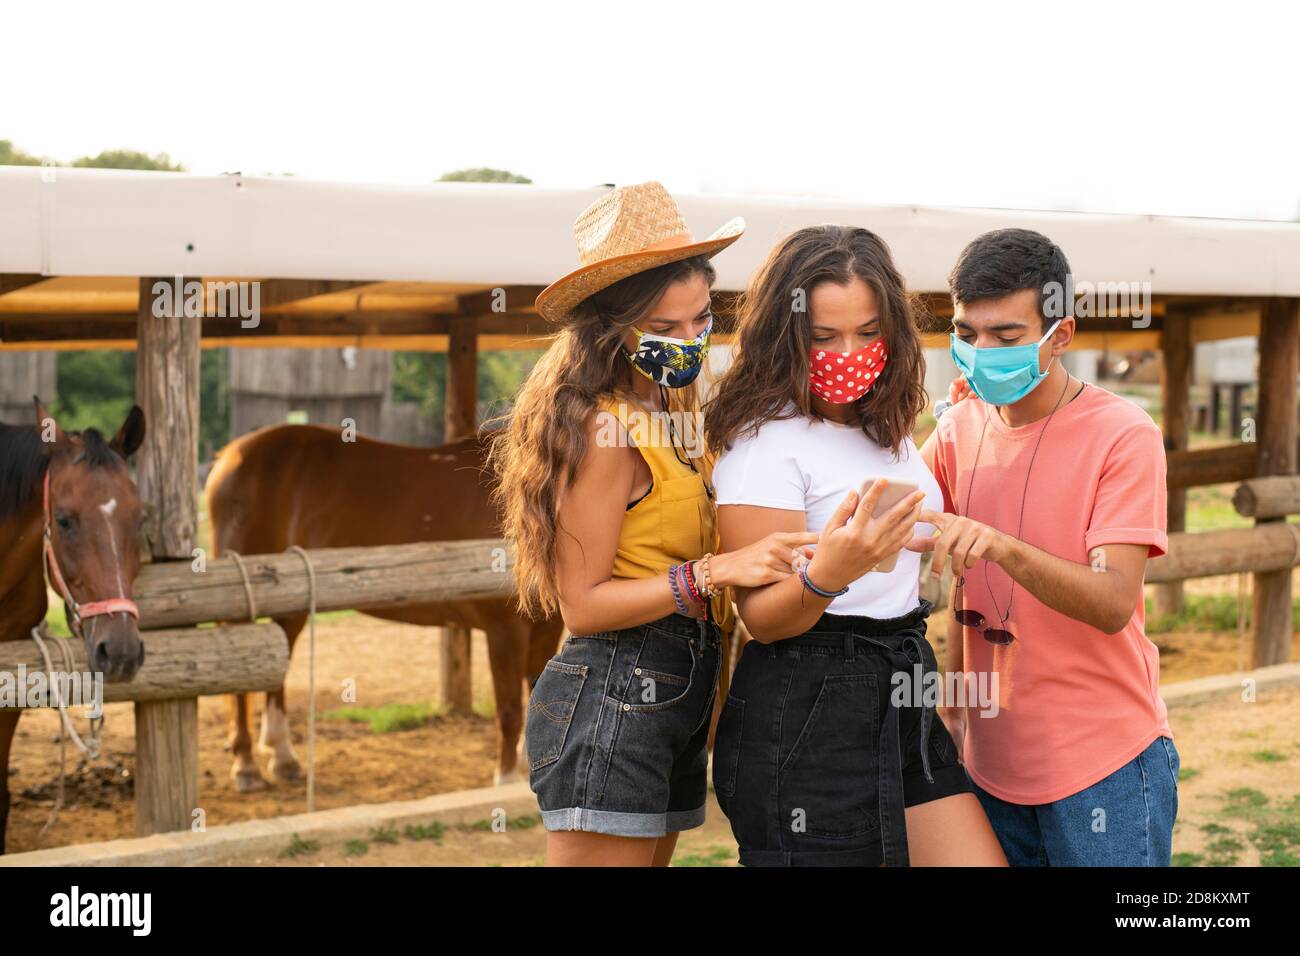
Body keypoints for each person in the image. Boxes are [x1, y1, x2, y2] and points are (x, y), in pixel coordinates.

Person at [490, 181, 820, 866]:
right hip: (616, 687)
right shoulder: (604, 425)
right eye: (664, 330)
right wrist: (711, 573)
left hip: (676, 693)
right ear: (612, 329)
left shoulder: (676, 412)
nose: (690, 339)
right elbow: (581, 606)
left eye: (700, 319)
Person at [705, 225, 1007, 866]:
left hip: (900, 678)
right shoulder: (764, 442)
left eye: (868, 333)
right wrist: (830, 573)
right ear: (784, 336)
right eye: (824, 337)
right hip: (811, 697)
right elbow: (761, 620)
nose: (850, 351)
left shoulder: (886, 424)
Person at [914, 227, 1179, 866]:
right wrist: (954, 713)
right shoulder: (955, 428)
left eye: (1006, 338)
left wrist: (1003, 547)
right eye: (967, 334)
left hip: (1105, 765)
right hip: (990, 762)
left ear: (1059, 336)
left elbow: (1113, 601)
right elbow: (902, 525)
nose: (980, 352)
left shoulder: (1123, 435)